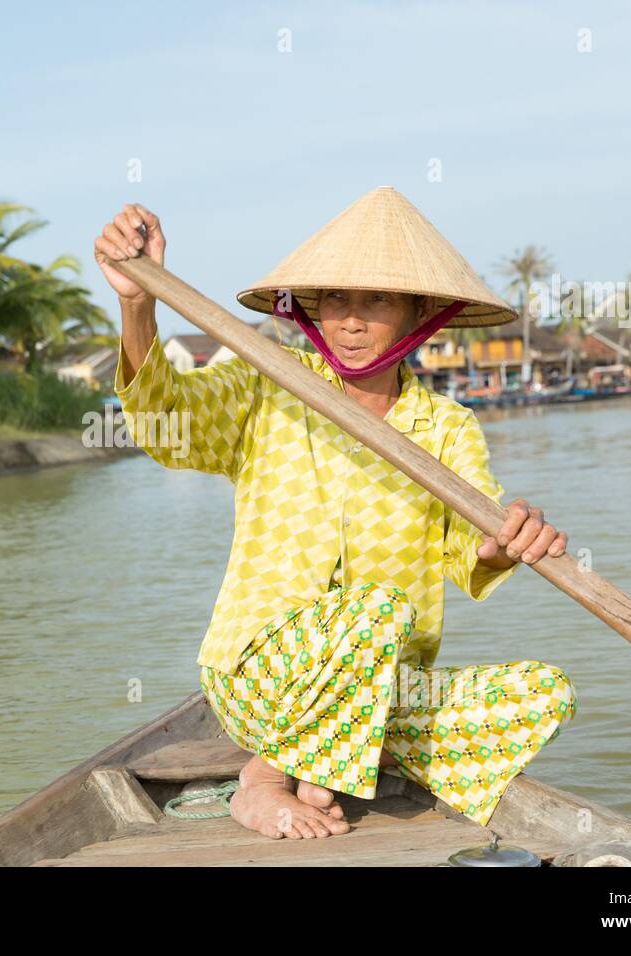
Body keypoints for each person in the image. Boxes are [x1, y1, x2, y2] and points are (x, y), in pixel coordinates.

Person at [94, 187, 577, 840]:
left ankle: (346, 750)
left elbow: (471, 549)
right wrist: (137, 305)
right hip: (261, 680)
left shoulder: (446, 427)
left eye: (375, 300)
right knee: (377, 610)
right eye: (337, 301)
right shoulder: (268, 380)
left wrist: (507, 539)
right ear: (313, 309)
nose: (351, 322)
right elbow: (162, 422)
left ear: (418, 313)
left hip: (381, 696)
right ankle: (265, 777)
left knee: (545, 693)